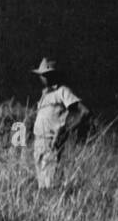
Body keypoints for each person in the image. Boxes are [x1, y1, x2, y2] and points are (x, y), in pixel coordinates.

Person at [31, 59, 88, 190]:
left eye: (45, 75)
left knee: (51, 183)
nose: (42, 78)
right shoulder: (44, 95)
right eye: (42, 75)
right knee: (42, 185)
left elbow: (84, 112)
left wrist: (67, 131)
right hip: (39, 142)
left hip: (52, 141)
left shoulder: (63, 91)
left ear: (53, 75)